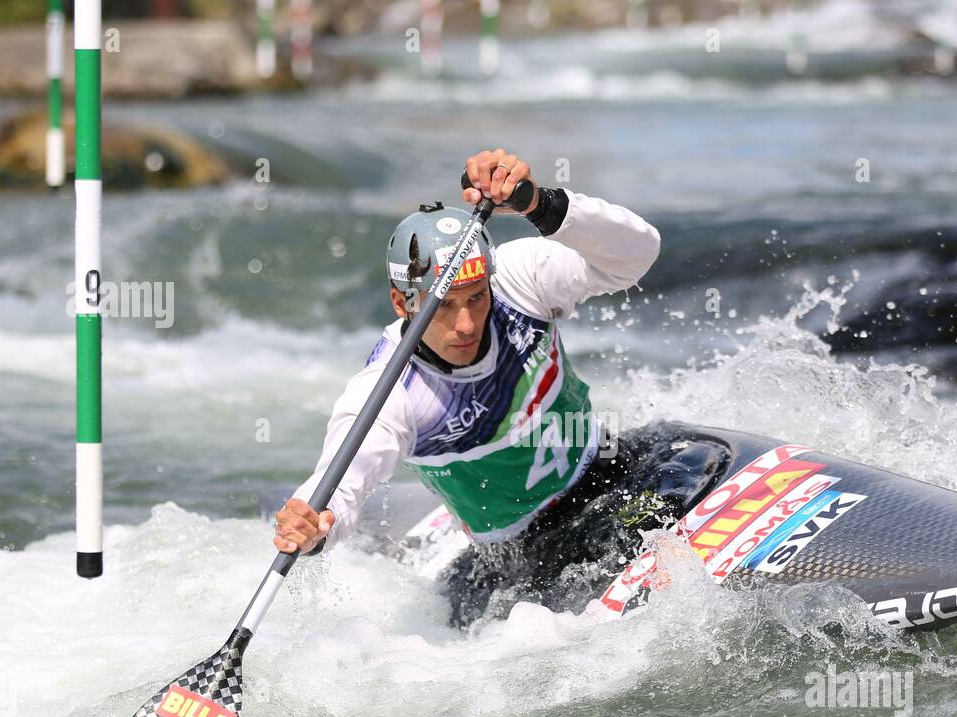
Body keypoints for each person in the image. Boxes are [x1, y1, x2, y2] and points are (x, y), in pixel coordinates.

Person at [275, 148, 687, 625]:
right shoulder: (390, 396)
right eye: (444, 306)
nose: (467, 323)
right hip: (527, 554)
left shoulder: (517, 278)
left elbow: (638, 254)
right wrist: (314, 525)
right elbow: (339, 487)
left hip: (609, 469)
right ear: (401, 302)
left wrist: (542, 205)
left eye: (476, 298)